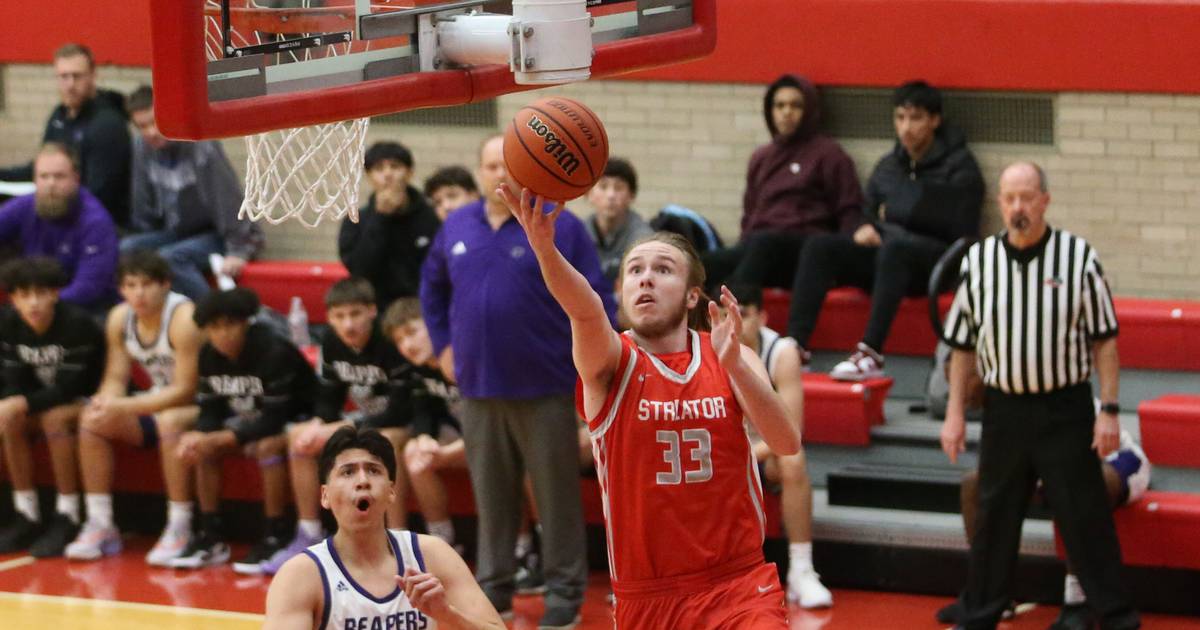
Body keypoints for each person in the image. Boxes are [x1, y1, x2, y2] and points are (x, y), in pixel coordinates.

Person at [501, 178, 802, 627]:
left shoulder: (732, 356)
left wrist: (736, 365)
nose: (645, 278)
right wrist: (546, 249)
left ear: (692, 294)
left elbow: (785, 441)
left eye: (663, 269)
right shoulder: (611, 361)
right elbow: (584, 309)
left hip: (738, 582)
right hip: (649, 594)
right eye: (634, 271)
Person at [420, 134, 614, 629]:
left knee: (556, 498)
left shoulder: (561, 226)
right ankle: (493, 594)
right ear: (479, 172)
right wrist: (442, 343)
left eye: (506, 166)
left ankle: (566, 596)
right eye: (489, 166)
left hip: (545, 386)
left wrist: (594, 370)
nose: (497, 176)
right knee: (493, 498)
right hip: (479, 389)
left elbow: (595, 299)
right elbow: (432, 288)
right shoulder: (457, 225)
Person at [939, 162, 1139, 630]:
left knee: (1084, 513)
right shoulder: (979, 261)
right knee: (994, 514)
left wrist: (1108, 409)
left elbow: (1105, 338)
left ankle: (1115, 613)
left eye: (1026, 197)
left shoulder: (1078, 258)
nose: (1017, 208)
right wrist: (953, 414)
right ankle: (983, 607)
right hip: (1003, 408)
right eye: (1009, 199)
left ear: (1045, 200)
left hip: (1064, 408)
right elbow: (962, 346)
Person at [787, 80, 985, 380]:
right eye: (900, 118)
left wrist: (898, 211)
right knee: (820, 246)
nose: (906, 127)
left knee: (895, 251)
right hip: (886, 257)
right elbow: (865, 211)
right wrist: (864, 226)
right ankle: (794, 349)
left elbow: (960, 229)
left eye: (915, 118)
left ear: (935, 120)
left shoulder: (961, 168)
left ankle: (871, 353)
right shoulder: (889, 165)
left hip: (934, 263)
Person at [263, 425, 505, 630]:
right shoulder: (301, 575)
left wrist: (447, 615)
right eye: (347, 472)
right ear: (325, 496)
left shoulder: (432, 554)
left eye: (373, 470)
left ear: (391, 492)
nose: (362, 481)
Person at [266, 278, 414, 575]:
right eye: (339, 316)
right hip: (363, 422)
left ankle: (400, 543)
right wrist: (319, 423)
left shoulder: (389, 342)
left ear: (372, 311)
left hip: (405, 422)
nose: (348, 325)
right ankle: (308, 532)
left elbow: (400, 408)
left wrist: (343, 425)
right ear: (329, 318)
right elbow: (327, 399)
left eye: (355, 314)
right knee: (299, 437)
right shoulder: (332, 343)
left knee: (386, 441)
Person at [64, 250, 203, 565]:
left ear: (165, 284)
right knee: (92, 419)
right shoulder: (119, 318)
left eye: (146, 284)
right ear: (121, 289)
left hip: (202, 408)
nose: (138, 293)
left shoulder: (183, 318)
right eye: (130, 285)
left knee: (169, 420)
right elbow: (115, 376)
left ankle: (180, 525)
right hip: (155, 403)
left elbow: (185, 390)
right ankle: (101, 523)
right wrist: (105, 402)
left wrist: (127, 404)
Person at [939, 429, 1151, 627]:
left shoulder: (1064, 402)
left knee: (1075, 487)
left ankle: (1078, 602)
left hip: (1117, 460)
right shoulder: (1004, 406)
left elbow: (1077, 468)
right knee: (974, 484)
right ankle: (986, 594)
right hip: (1048, 461)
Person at [171, 287, 316, 574]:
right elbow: (210, 410)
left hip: (298, 418)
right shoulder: (209, 356)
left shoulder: (273, 349)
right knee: (203, 446)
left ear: (245, 323)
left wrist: (227, 436)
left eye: (230, 325)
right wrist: (201, 436)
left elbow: (275, 417)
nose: (223, 334)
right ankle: (210, 534)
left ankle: (276, 532)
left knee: (267, 445)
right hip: (249, 420)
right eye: (214, 328)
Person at [702, 74, 863, 295]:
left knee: (764, 244)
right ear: (771, 111)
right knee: (699, 263)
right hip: (758, 247)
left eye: (795, 105)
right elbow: (750, 213)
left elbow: (849, 212)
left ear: (809, 109)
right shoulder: (761, 157)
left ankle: (733, 315)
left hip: (802, 253)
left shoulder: (831, 155)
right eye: (780, 105)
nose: (787, 112)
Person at [727, 283, 832, 609]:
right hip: (719, 453)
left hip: (760, 451)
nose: (737, 321)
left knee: (794, 460)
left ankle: (801, 570)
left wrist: (737, 456)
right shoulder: (706, 347)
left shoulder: (780, 351)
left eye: (744, 313)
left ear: (762, 316)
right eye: (730, 313)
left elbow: (791, 434)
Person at [0, 257, 105, 557]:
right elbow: (13, 379)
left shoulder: (77, 324)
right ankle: (26, 512)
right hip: (42, 400)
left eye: (40, 293)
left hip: (85, 399)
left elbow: (70, 388)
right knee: (11, 419)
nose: (33, 302)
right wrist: (13, 403)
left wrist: (19, 402)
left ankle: (68, 512)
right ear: (13, 298)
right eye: (24, 295)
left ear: (55, 294)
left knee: (53, 419)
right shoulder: (8, 324)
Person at [121, 85, 264, 300]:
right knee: (129, 249)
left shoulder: (200, 145)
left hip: (213, 234)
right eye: (142, 126)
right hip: (176, 232)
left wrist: (239, 250)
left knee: (170, 257)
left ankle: (212, 313)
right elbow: (142, 203)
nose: (150, 132)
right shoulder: (141, 147)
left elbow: (227, 200)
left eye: (154, 122)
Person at [0, 43, 132, 229]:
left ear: (93, 75)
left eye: (77, 76)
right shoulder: (59, 115)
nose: (70, 85)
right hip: (64, 209)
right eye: (64, 77)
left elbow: (100, 195)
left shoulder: (107, 125)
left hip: (96, 221)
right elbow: (39, 167)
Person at [382, 298, 465, 550]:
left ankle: (522, 546)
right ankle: (442, 541)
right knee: (415, 453)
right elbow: (423, 410)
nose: (406, 345)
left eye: (412, 333)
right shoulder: (420, 369)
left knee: (495, 456)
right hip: (461, 437)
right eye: (399, 340)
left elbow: (489, 426)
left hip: (494, 436)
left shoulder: (466, 355)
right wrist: (424, 438)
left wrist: (447, 453)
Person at [0, 142, 119, 314]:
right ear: (35, 179)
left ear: (76, 179)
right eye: (44, 176)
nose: (51, 184)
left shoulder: (95, 222)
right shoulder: (25, 205)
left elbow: (88, 288)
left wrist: (34, 304)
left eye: (59, 176)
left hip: (81, 311)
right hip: (33, 303)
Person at [339, 141, 441, 310]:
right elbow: (359, 271)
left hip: (425, 308)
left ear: (409, 172)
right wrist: (381, 218)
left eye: (395, 166)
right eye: (379, 168)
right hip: (377, 313)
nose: (388, 174)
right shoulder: (355, 220)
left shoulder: (432, 216)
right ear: (369, 176)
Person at [583, 157, 654, 288]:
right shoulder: (578, 233)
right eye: (603, 186)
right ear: (589, 194)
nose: (611, 195)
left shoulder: (644, 240)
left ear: (631, 195)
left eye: (619, 188)